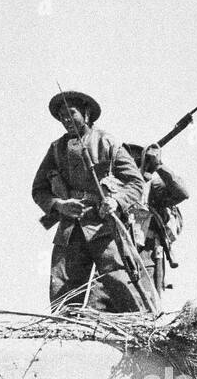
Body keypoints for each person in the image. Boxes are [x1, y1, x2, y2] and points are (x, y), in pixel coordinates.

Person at [31, 91, 158, 314]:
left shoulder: (108, 143)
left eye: (71, 114)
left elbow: (135, 183)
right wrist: (59, 205)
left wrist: (116, 202)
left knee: (120, 278)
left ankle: (141, 325)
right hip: (70, 228)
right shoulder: (56, 149)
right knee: (64, 284)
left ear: (87, 114)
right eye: (61, 116)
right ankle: (65, 331)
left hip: (103, 225)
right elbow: (38, 190)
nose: (66, 120)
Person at [124, 143, 189, 298]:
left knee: (145, 302)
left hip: (145, 251)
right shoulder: (115, 185)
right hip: (117, 249)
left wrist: (159, 165)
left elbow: (182, 193)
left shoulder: (151, 185)